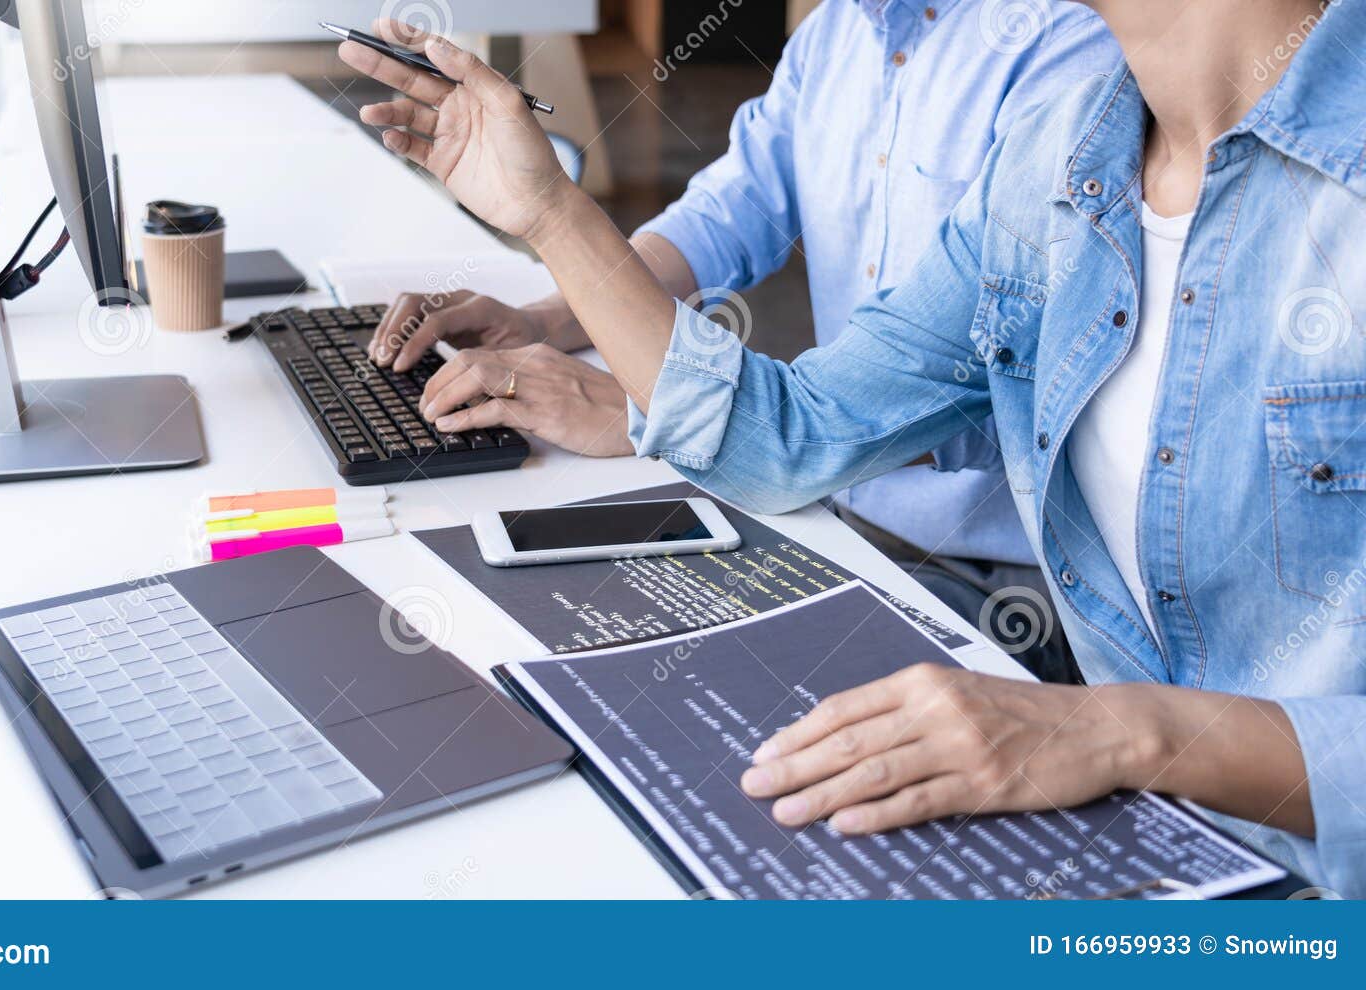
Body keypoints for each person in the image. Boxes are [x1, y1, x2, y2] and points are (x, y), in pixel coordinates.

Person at [340, 0, 1366, 896]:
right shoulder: (1063, 152)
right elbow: (793, 437)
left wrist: (1122, 731)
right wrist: (549, 216)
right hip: (1160, 851)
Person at [366, 3, 1118, 685]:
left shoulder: (1066, 54)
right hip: (828, 507)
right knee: (548, 631)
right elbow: (732, 210)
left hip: (1008, 586)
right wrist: (553, 316)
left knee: (663, 681)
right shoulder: (835, 34)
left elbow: (1026, 402)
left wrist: (666, 406)